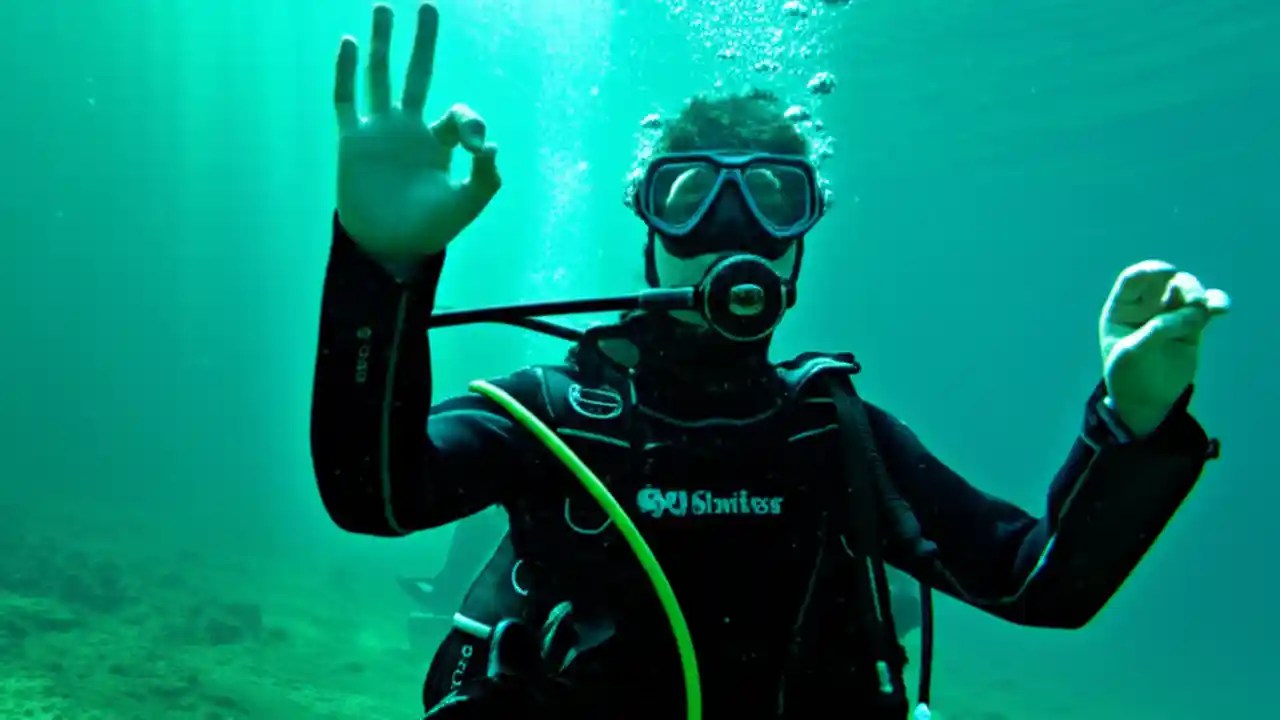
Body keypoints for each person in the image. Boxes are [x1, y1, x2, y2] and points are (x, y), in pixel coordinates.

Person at [309, 3, 1230, 720]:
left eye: (774, 200)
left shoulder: (833, 433)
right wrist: (380, 270)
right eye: (691, 198)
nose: (731, 235)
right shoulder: (553, 418)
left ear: (800, 244)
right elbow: (372, 494)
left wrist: (1132, 430)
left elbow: (1044, 585)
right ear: (649, 232)